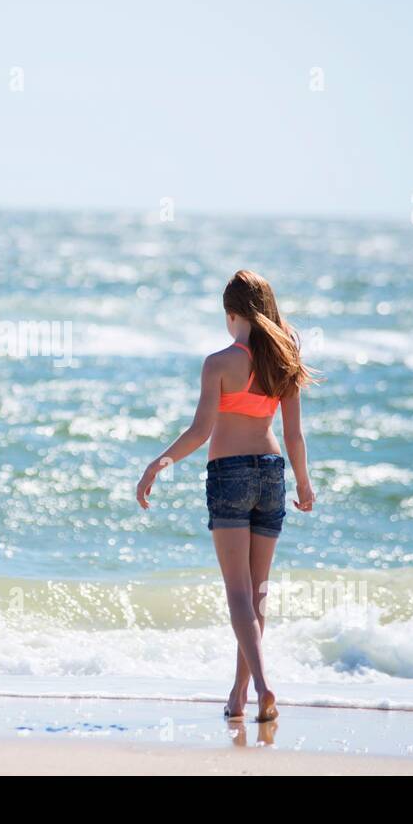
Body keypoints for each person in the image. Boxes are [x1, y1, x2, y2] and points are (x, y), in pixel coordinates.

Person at [136, 269, 319, 722]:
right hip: (272, 472)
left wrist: (158, 463)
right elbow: (294, 435)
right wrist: (303, 481)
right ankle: (240, 696)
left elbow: (201, 431)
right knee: (258, 592)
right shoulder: (284, 358)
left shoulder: (219, 363)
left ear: (231, 313)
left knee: (238, 590)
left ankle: (261, 686)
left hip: (229, 473)